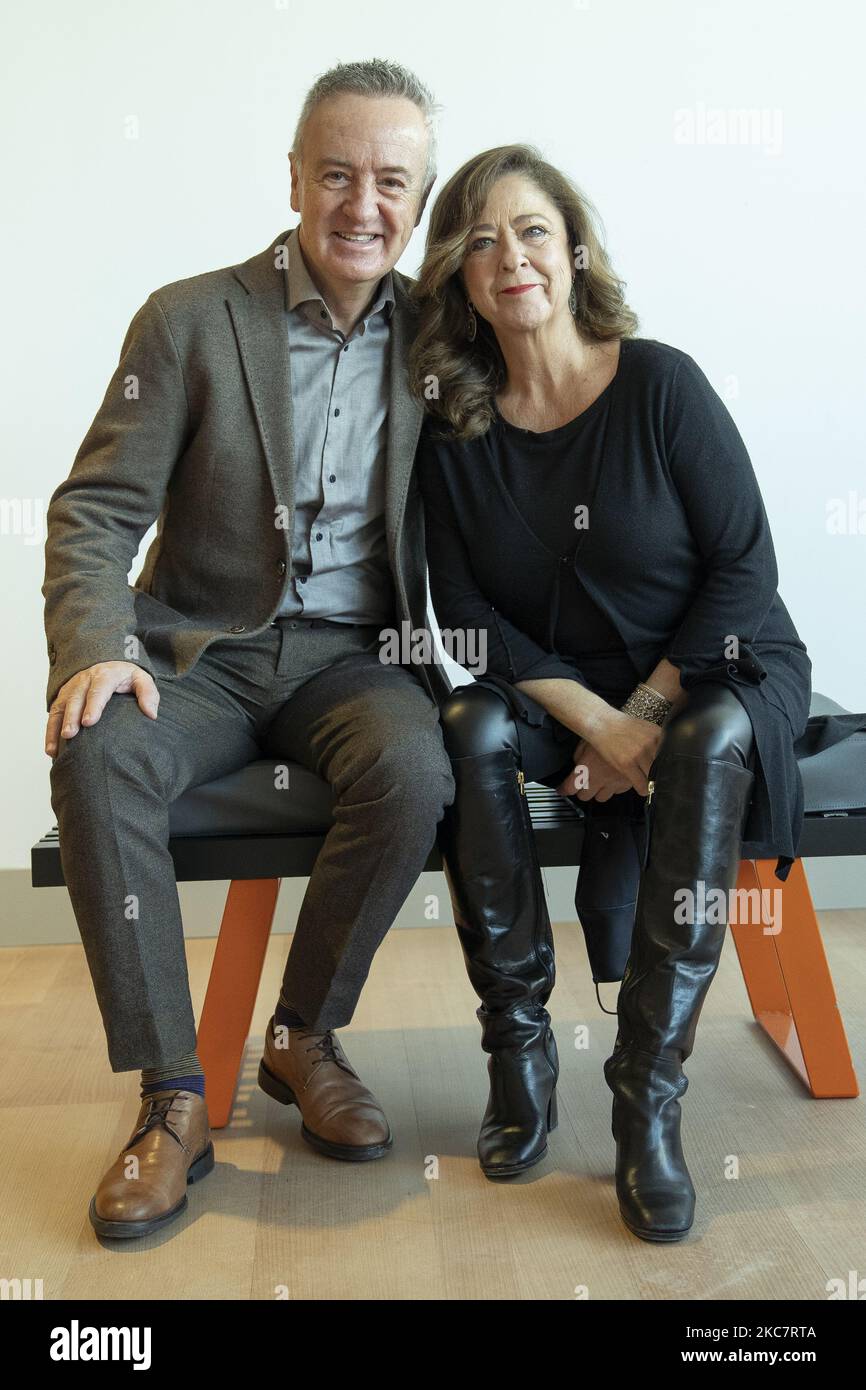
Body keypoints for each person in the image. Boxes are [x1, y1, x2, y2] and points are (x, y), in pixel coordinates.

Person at [42, 59, 455, 1240]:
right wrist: (97, 644)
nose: (360, 206)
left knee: (413, 767)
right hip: (199, 653)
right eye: (335, 174)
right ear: (292, 177)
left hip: (355, 662)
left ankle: (302, 1036)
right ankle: (172, 1095)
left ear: (418, 201)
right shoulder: (188, 320)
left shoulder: (444, 333)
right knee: (95, 749)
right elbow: (97, 511)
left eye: (390, 181)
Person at [408, 142, 826, 1242]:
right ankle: (519, 1052)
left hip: (720, 664)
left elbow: (743, 572)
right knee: (466, 721)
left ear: (572, 247)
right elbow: (458, 614)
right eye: (481, 239)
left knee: (700, 741)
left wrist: (641, 720)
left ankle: (646, 1093)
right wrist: (596, 722)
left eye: (532, 229)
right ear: (455, 272)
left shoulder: (659, 383)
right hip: (568, 697)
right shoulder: (455, 426)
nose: (511, 257)